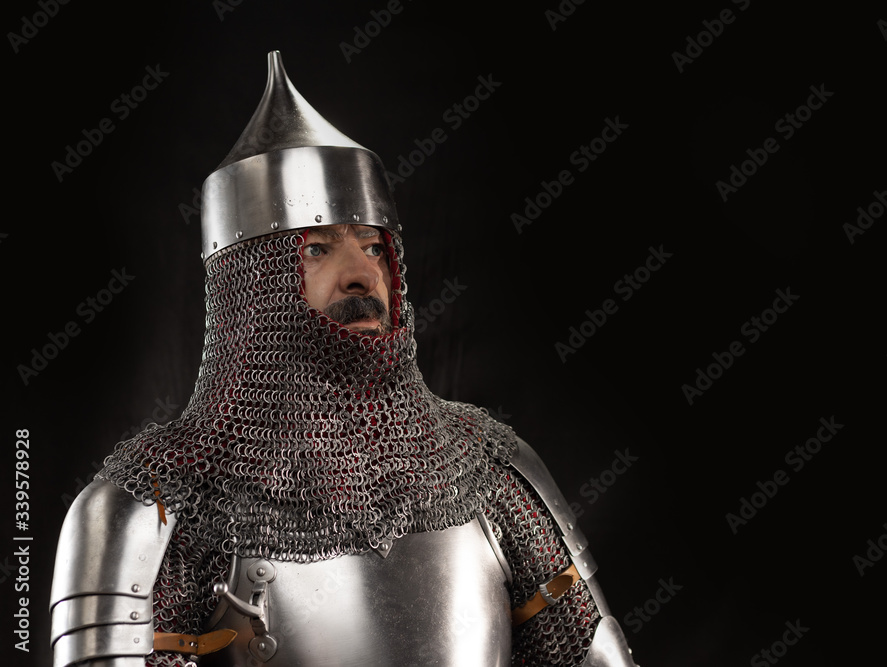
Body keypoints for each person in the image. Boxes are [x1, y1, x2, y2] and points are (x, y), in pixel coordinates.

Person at [49, 51, 639, 667]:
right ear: (251, 288)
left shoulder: (489, 470)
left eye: (372, 246)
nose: (362, 275)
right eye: (316, 249)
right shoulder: (155, 504)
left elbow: (592, 656)